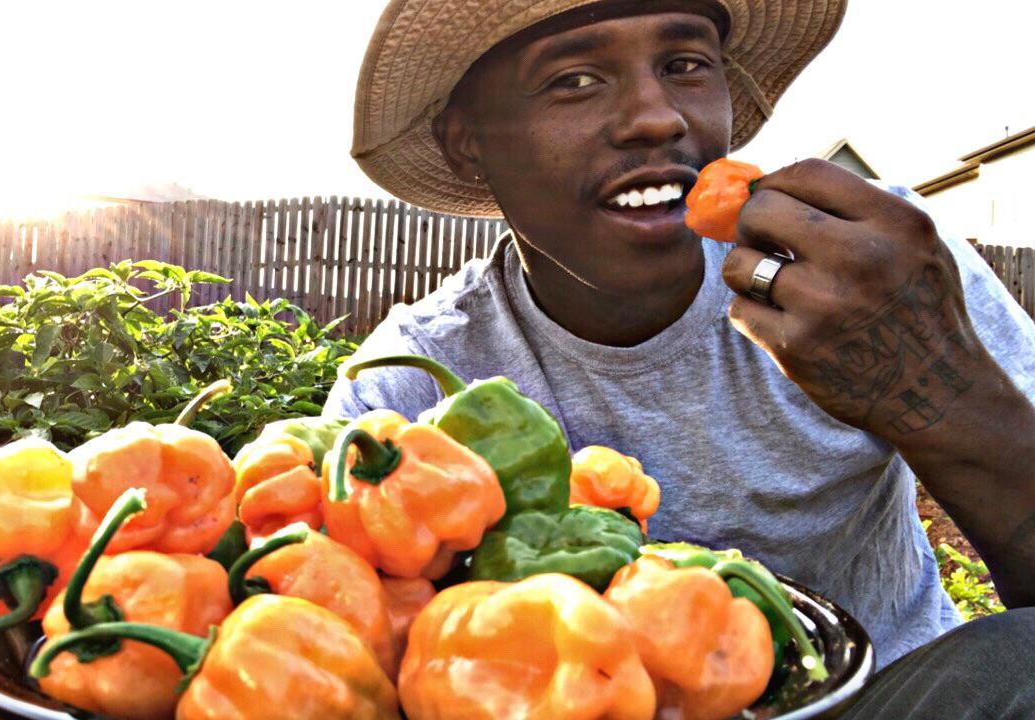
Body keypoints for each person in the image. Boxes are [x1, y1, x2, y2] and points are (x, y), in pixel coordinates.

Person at [326, 1, 1035, 717]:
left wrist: (944, 395)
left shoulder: (877, 266)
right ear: (466, 143)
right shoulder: (408, 392)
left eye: (686, 65)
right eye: (574, 79)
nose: (657, 116)